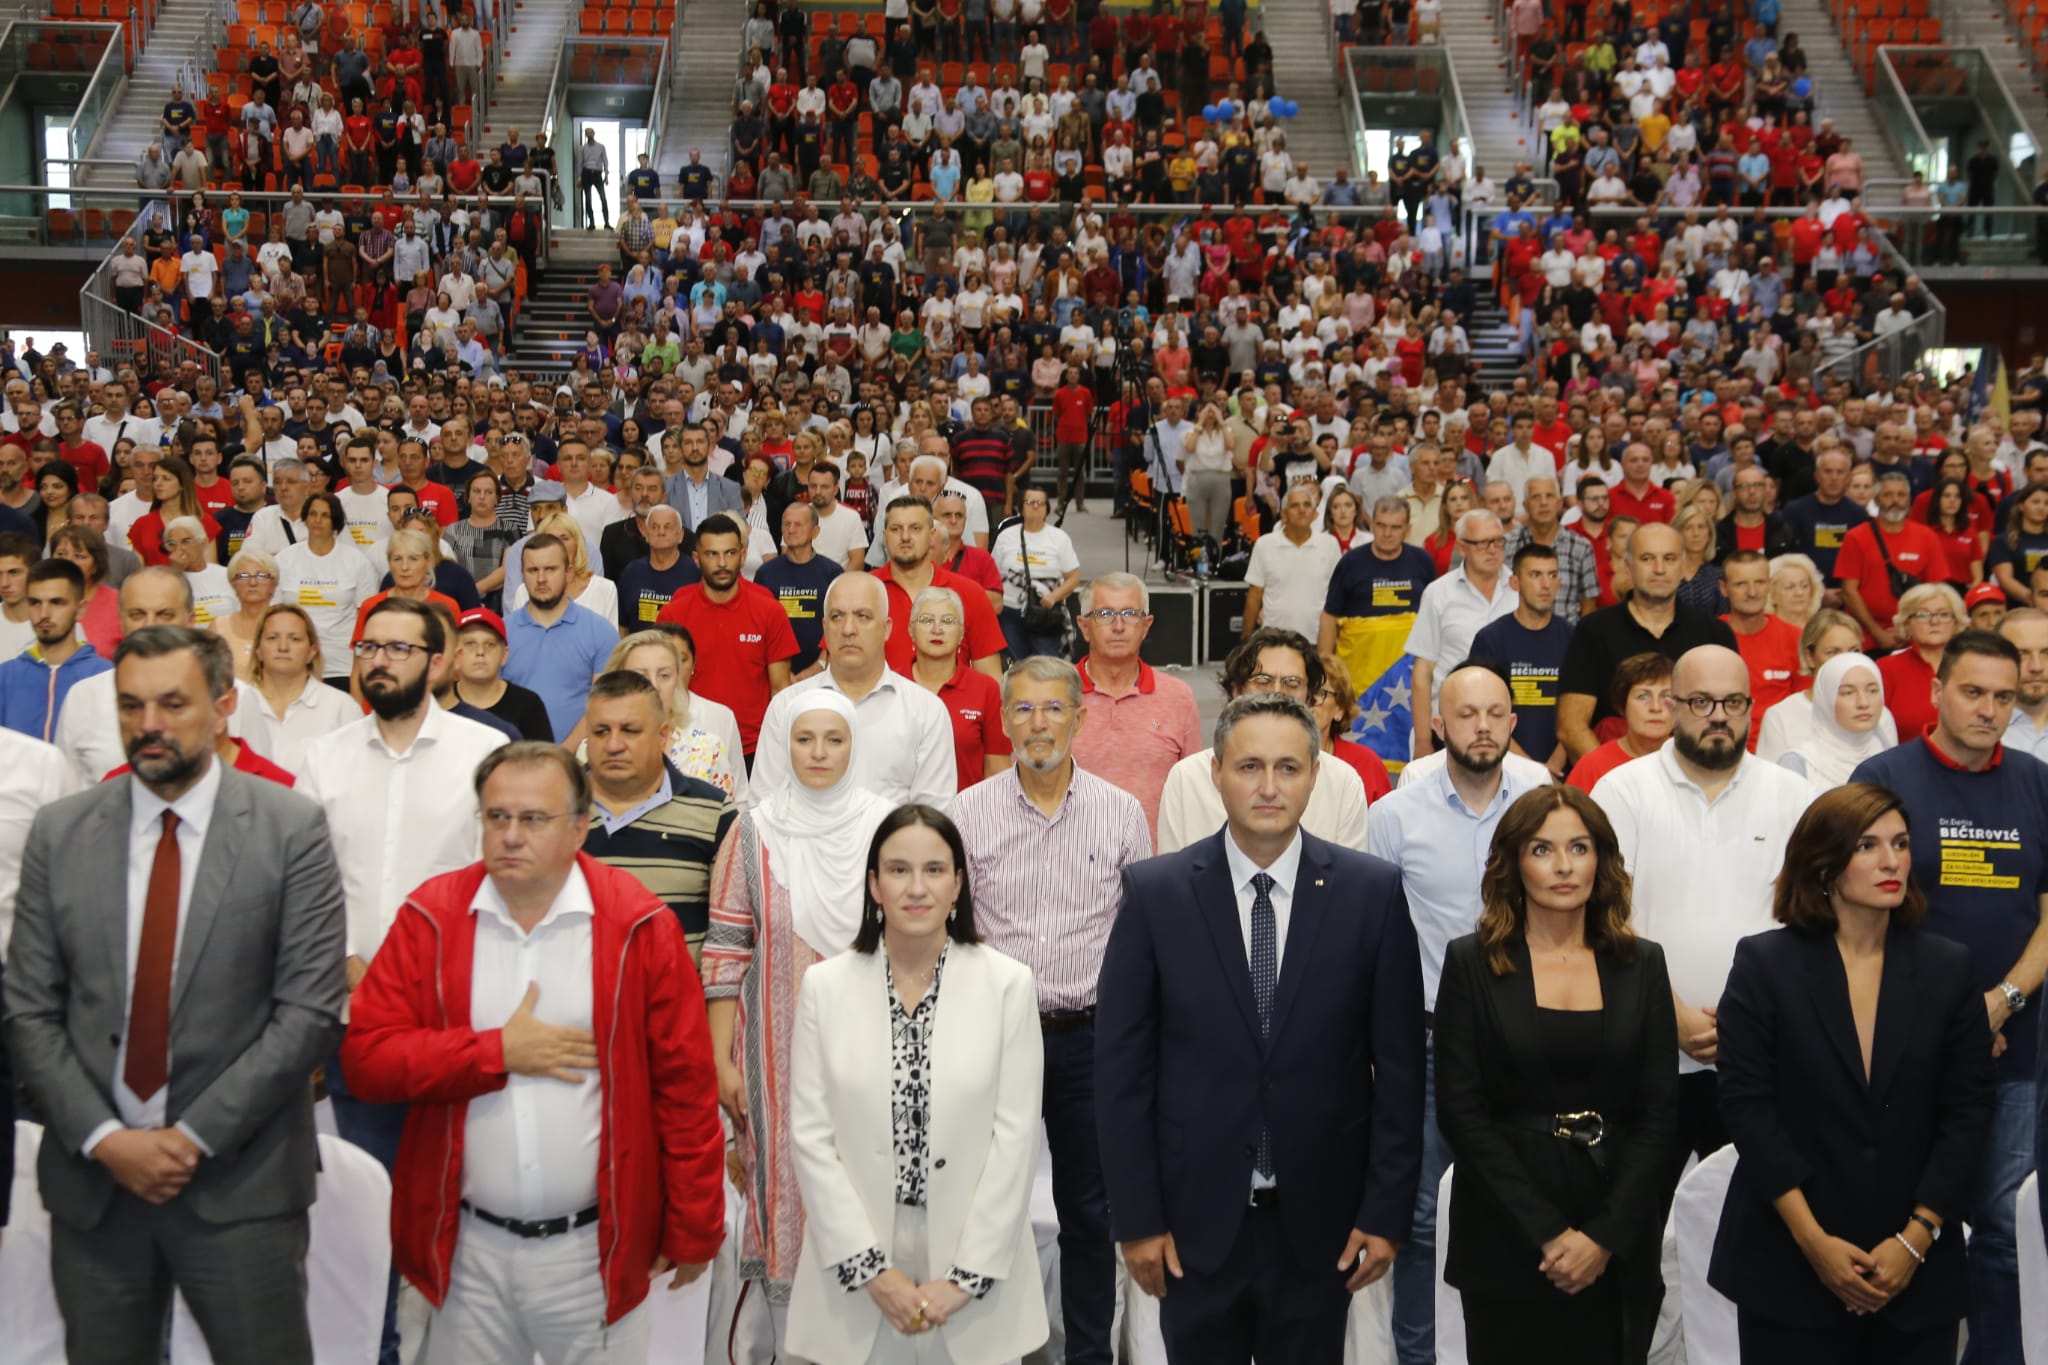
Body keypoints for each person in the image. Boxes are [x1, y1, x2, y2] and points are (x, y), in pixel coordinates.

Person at [2, 624, 348, 1363]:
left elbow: (310, 1010)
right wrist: (107, 1138)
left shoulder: (290, 827)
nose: (149, 725)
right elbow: (28, 1004)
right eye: (131, 706)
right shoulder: (61, 830)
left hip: (243, 1182)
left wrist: (188, 1140)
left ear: (224, 705)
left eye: (172, 703)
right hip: (95, 1184)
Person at [341, 742, 727, 1364]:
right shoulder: (432, 917)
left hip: (593, 1257)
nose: (510, 836)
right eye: (496, 817)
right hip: (466, 1255)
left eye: (533, 819)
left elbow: (683, 1086)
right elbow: (366, 1058)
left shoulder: (637, 925)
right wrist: (494, 1051)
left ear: (580, 826)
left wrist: (694, 1225)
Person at [1095, 691, 1426, 1362]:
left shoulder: (1372, 892)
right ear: (1215, 772)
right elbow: (1122, 1075)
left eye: (1287, 767)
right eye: (1248, 766)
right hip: (1191, 1227)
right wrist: (1137, 1219)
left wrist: (1385, 1213)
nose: (1268, 786)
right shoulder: (1156, 894)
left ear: (1317, 774)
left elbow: (1399, 1071)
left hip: (1322, 1226)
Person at [1711, 783, 1997, 1364]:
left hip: (1915, 1269)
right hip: (1789, 1263)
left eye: (1900, 843)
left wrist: (1915, 1240)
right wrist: (1814, 1242)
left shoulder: (1950, 968)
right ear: (1823, 864)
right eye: (1867, 845)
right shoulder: (1765, 964)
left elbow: (1967, 1113)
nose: (1891, 861)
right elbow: (1748, 1109)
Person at [785, 804, 1050, 1363]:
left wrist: (965, 1278)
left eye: (934, 870)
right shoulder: (824, 987)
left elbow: (1016, 1142)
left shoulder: (1008, 985)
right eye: (898, 869)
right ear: (874, 885)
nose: (917, 887)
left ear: (958, 883)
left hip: (978, 1260)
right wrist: (872, 1272)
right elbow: (811, 1138)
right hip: (856, 1268)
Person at [1849, 630, 2048, 1365]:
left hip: (2016, 1047)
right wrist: (1953, 1020)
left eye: (2004, 696)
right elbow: (1861, 909)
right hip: (1904, 1045)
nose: (1989, 709)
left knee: (2001, 1228)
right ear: (1935, 689)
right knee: (1899, 1218)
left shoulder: (2036, 782)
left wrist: (2001, 1001)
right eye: (1973, 691)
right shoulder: (1883, 774)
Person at [951, 656, 1153, 1365]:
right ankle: (987, 1351)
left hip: (1088, 1040)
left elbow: (1137, 943)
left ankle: (1089, 1354)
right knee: (982, 1207)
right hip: (994, 1038)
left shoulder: (1122, 813)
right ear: (1004, 720)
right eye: (1024, 710)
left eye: (1053, 708)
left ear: (1080, 717)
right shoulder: (965, 813)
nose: (1039, 723)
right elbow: (953, 932)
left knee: (1090, 1213)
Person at [1435, 785, 1679, 1364]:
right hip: (1505, 1233)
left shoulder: (1643, 964)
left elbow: (1658, 1114)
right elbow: (1462, 1114)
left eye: (1580, 847)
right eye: (1543, 850)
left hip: (1616, 1236)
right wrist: (1548, 1232)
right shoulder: (1471, 962)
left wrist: (1602, 1238)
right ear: (1513, 863)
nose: (1564, 866)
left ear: (1603, 860)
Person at [1366, 660, 1557, 1363]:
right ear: (1439, 724)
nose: (1482, 726)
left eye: (1495, 712)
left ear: (1514, 721)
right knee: (1419, 1217)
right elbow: (1374, 945)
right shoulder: (1393, 817)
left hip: (1532, 1040)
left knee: (1531, 1203)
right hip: (1425, 1043)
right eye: (1466, 714)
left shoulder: (1548, 802)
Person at [296, 597, 509, 1224]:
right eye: (368, 648)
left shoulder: (484, 752)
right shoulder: (323, 757)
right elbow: (307, 883)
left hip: (455, 1013)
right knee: (374, 1206)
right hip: (352, 1012)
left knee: (462, 1198)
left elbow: (500, 879)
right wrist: (344, 962)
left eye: (398, 649)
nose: (379, 661)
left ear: (438, 662)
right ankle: (384, 1325)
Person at [703, 690, 892, 1359]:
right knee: (786, 1173)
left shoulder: (889, 826)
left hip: (877, 1044)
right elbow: (726, 948)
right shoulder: (754, 830)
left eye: (834, 739)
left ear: (854, 745)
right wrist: (723, 1062)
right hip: (776, 1050)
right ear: (782, 744)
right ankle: (792, 1341)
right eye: (804, 739)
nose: (818, 754)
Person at [1592, 644, 1817, 1178]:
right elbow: (1603, 918)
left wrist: (1745, 1021)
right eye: (1701, 702)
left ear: (1749, 707)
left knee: (1754, 1229)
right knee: (1634, 1228)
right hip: (1646, 1056)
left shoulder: (1795, 797)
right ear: (1672, 706)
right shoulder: (1622, 790)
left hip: (1763, 1058)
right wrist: (1672, 1015)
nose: (1719, 715)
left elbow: (1811, 924)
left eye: (1733, 702)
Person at [751, 572, 957, 808]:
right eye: (837, 616)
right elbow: (763, 810)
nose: (848, 629)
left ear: (886, 628)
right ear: (824, 627)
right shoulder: (787, 706)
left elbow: (933, 820)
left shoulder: (926, 712)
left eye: (862, 616)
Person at [1157, 629, 1370, 853]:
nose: (1277, 692)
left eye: (1292, 682)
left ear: (1309, 697)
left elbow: (1348, 883)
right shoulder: (1187, 779)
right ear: (1236, 690)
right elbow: (1174, 881)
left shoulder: (1343, 783)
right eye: (1262, 680)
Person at [581, 669, 737, 963]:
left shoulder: (714, 813)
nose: (614, 745)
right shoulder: (554, 810)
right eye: (601, 731)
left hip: (682, 1003)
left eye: (630, 730)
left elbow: (731, 940)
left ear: (662, 736)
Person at [1558, 523, 1739, 761]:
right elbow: (1571, 727)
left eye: (1670, 558)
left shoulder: (1714, 633)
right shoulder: (1593, 630)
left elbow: (1730, 719)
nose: (1659, 569)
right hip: (1613, 782)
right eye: (1647, 558)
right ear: (1628, 567)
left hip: (1694, 776)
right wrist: (1621, 780)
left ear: (1683, 565)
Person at [1070, 573, 1204, 842]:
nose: (1118, 626)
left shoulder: (1179, 698)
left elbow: (1194, 791)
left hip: (1155, 868)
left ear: (1146, 625)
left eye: (1130, 614)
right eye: (1105, 613)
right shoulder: (1056, 695)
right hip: (1072, 867)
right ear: (1084, 626)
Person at [658, 512, 798, 760]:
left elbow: (781, 691)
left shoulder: (769, 610)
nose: (722, 563)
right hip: (689, 743)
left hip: (755, 748)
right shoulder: (674, 613)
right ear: (697, 559)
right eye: (712, 554)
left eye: (730, 553)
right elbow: (662, 687)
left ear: (743, 556)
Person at [1404, 509, 1516, 750]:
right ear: (1462, 547)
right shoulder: (1438, 593)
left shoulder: (1519, 590)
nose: (1493, 549)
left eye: (1498, 541)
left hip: (1506, 727)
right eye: (1483, 543)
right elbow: (1422, 674)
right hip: (1450, 726)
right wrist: (1423, 741)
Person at [1472, 541, 1577, 777]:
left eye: (1552, 575)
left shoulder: (1574, 638)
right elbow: (1483, 710)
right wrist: (1530, 768)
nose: (1545, 584)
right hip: (1504, 768)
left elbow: (1581, 712)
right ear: (1515, 582)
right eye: (1535, 575)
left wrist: (1554, 765)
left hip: (1562, 770)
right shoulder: (1490, 639)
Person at [502, 532, 619, 738]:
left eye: (550, 569)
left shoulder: (601, 632)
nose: (541, 579)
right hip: (514, 759)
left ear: (568, 573)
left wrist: (565, 755)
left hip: (580, 762)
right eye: (532, 570)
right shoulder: (500, 634)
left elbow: (606, 704)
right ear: (522, 574)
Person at [908, 584, 1012, 790]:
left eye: (947, 621)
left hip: (966, 817)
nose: (937, 629)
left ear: (962, 633)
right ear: (910, 630)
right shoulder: (891, 685)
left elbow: (998, 773)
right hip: (899, 818)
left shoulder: (986, 691)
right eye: (927, 620)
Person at [1754, 609, 1888, 761]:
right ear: (1809, 656)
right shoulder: (1780, 717)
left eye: (1854, 650)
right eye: (1833, 652)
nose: (1845, 660)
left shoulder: (1879, 713)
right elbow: (1772, 781)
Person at [0, 558, 111, 742]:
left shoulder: (105, 677)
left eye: (57, 602)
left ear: (81, 609)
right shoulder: (5, 677)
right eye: (35, 603)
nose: (44, 614)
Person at [242, 602, 361, 772]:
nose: (283, 647)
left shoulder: (342, 708)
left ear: (312, 651)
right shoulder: (236, 706)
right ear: (258, 650)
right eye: (272, 638)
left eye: (295, 639)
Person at [275, 491, 380, 683]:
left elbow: (366, 617)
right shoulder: (284, 560)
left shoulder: (357, 561)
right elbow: (274, 613)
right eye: (313, 514)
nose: (318, 520)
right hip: (295, 661)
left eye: (325, 515)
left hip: (343, 663)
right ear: (305, 518)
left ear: (336, 521)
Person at [1245, 483, 1345, 644]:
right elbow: (1254, 595)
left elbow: (1339, 594)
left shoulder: (1330, 545)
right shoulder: (1264, 545)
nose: (1302, 510)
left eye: (1307, 505)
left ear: (1314, 514)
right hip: (1273, 641)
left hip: (1317, 641)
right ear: (1284, 514)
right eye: (1295, 505)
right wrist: (1245, 640)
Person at [990, 485, 1081, 658]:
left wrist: (1054, 596)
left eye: (1040, 502)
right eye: (1030, 502)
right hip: (1010, 611)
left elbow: (1074, 577)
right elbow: (993, 574)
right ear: (1021, 507)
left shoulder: (1059, 538)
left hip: (1045, 612)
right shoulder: (1006, 536)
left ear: (1047, 508)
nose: (1035, 506)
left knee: (1046, 666)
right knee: (1014, 665)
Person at [756, 501, 844, 677]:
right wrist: (779, 673)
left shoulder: (833, 573)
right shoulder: (765, 573)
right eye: (787, 524)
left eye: (798, 524)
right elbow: (758, 626)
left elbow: (840, 623)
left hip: (824, 671)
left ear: (815, 531)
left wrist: (819, 665)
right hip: (774, 673)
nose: (791, 529)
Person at [1780, 652, 1893, 789]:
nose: (1863, 703)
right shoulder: (1798, 764)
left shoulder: (1891, 758)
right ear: (1826, 699)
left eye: (1872, 690)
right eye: (1847, 692)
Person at [449, 607, 557, 743]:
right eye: (470, 644)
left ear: (504, 655)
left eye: (490, 644)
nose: (480, 651)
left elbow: (544, 761)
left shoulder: (528, 705)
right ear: (455, 654)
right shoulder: (439, 701)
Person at [1876, 582, 1966, 744]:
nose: (1934, 621)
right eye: (1923, 614)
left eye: (1944, 614)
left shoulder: (1972, 666)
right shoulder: (1886, 668)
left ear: (1956, 622)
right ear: (1906, 623)